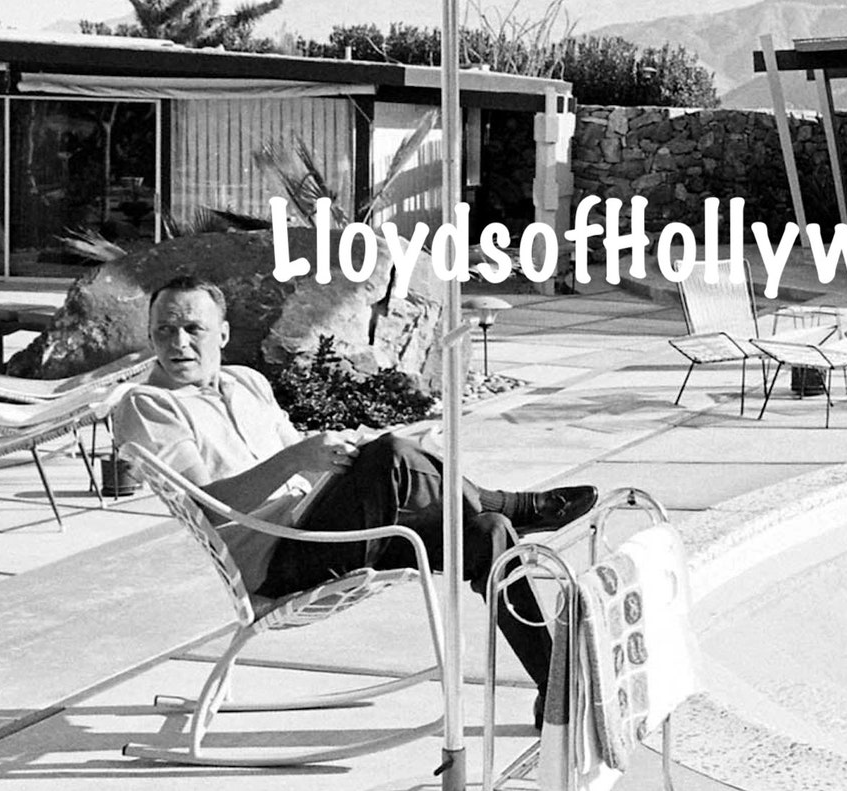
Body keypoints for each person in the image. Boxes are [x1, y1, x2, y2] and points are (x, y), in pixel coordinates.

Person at [112, 275, 596, 719]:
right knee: (394, 456)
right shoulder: (149, 405)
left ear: (221, 333)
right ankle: (506, 502)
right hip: (278, 558)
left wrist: (348, 449)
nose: (177, 342)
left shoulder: (247, 382)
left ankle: (555, 694)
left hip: (325, 528)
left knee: (486, 531)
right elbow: (206, 507)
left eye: (192, 328)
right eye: (164, 330)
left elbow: (305, 458)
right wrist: (302, 459)